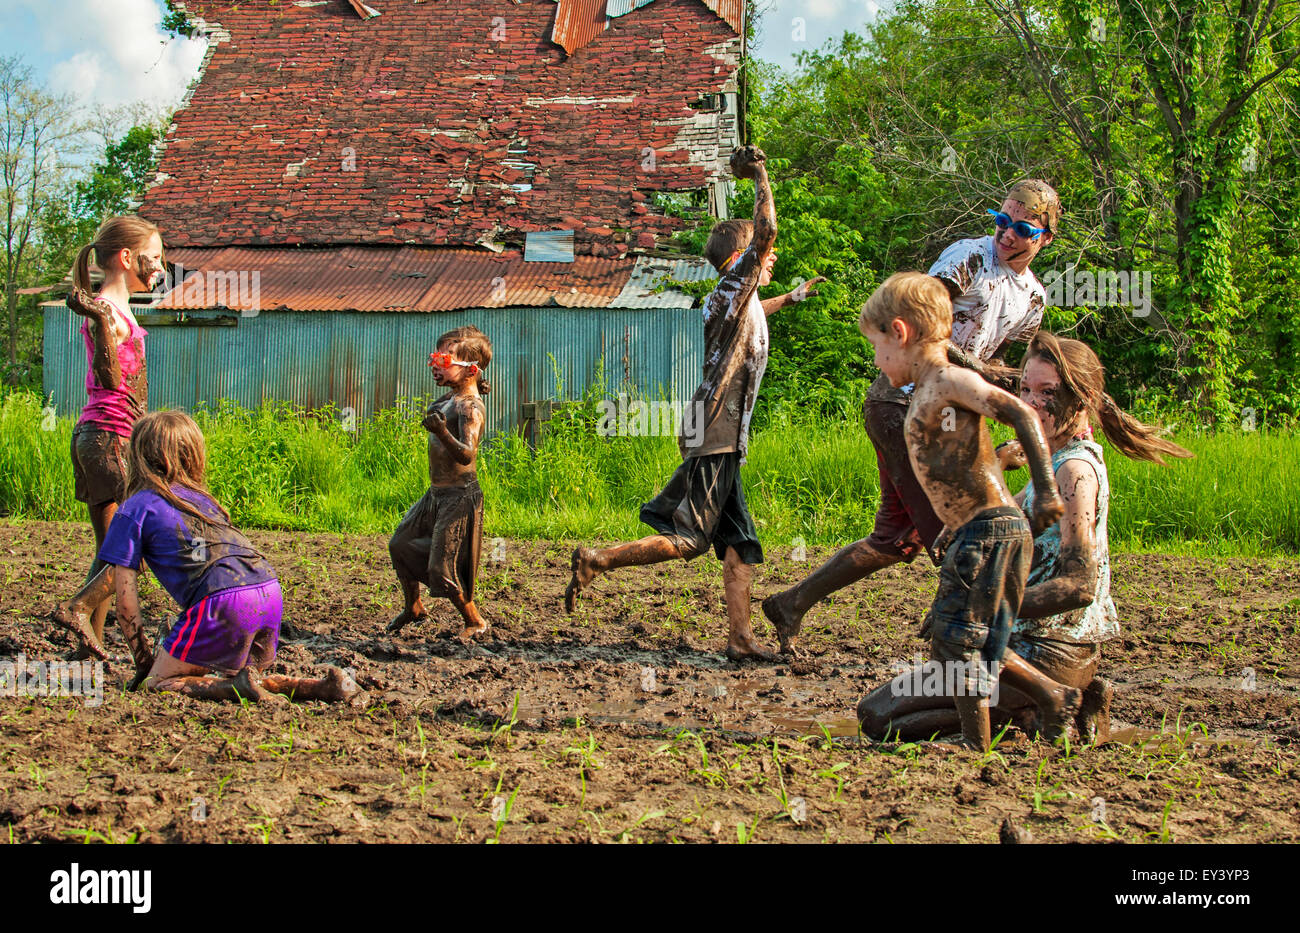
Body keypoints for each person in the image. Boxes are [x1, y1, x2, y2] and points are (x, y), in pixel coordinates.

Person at [763, 180, 1061, 654]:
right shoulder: (968, 258)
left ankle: (791, 602)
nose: (1006, 234)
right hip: (903, 403)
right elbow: (924, 329)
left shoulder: (1034, 297)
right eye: (1001, 221)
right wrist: (979, 376)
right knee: (959, 530)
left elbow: (1000, 366)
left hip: (945, 407)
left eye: (1021, 228)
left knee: (897, 539)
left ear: (1044, 238)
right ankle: (964, 638)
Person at [857, 332, 1192, 743]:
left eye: (1046, 393)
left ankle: (1038, 710)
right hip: (1020, 648)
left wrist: (986, 610)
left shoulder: (1074, 473)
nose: (1030, 403)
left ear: (1082, 399)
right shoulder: (1051, 458)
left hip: (1048, 651)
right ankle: (1036, 711)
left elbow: (1079, 585)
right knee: (877, 711)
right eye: (1025, 390)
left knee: (880, 719)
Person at [564, 145, 816, 661]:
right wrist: (760, 174)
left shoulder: (730, 299)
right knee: (690, 540)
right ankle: (597, 560)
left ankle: (741, 640)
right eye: (764, 258)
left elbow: (755, 315)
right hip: (716, 430)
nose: (771, 260)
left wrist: (791, 299)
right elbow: (765, 231)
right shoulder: (732, 285)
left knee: (741, 545)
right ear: (743, 259)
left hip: (721, 431)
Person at [853, 272, 1063, 750]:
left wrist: (1047, 491)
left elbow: (1021, 413)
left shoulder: (949, 380)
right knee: (975, 641)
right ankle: (1053, 697)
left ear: (900, 333)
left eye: (877, 346)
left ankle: (979, 739)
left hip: (990, 530)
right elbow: (960, 469)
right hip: (976, 530)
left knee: (956, 643)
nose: (877, 359)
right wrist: (952, 527)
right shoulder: (930, 389)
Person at [59, 411, 358, 702]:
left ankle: (235, 688)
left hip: (223, 601)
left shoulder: (134, 508)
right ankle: (322, 686)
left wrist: (143, 661)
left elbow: (126, 603)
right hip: (267, 590)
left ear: (136, 456)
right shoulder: (204, 501)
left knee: (158, 683)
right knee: (236, 675)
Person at [54, 217, 164, 657]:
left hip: (93, 439)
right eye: (153, 258)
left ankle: (89, 646)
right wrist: (101, 319)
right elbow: (107, 376)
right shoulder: (108, 311)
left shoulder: (115, 310)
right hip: (110, 440)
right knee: (136, 550)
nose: (158, 267)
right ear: (126, 258)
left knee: (108, 551)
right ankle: (76, 609)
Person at [387, 326, 491, 641]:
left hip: (459, 497)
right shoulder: (449, 399)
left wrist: (442, 432)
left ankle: (474, 621)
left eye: (444, 359)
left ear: (471, 370)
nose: (435, 364)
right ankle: (414, 606)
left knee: (442, 567)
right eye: (435, 357)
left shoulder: (470, 407)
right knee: (400, 545)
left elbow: (467, 454)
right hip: (435, 494)